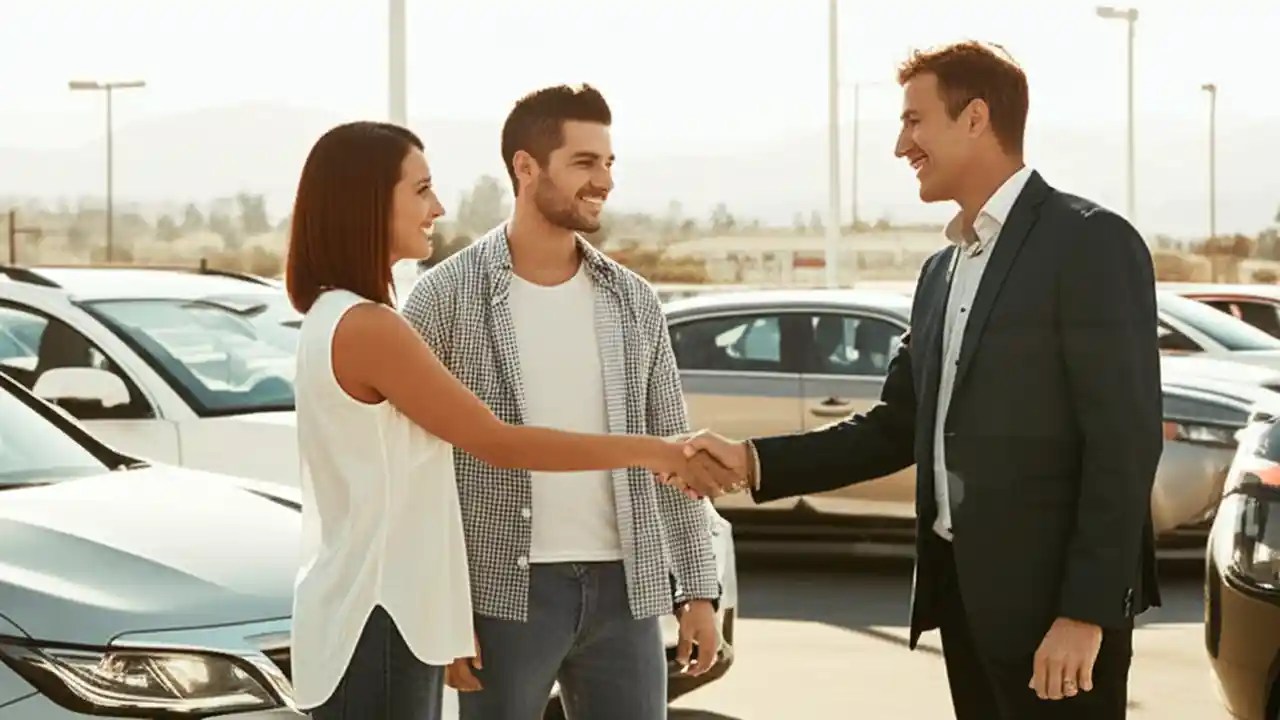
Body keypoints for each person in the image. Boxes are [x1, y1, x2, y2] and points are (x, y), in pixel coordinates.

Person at [678, 42, 1162, 719]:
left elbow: (1124, 443)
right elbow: (898, 426)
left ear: (974, 118)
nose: (901, 144)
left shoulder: (1089, 243)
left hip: (1058, 621)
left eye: (914, 120)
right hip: (964, 603)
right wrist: (752, 460)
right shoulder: (943, 271)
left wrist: (1085, 614)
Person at [285, 120, 697, 720]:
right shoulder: (369, 328)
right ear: (370, 201)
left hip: (376, 613)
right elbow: (497, 442)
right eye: (420, 189)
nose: (438, 206)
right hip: (376, 619)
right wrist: (652, 452)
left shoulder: (341, 316)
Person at [402, 84, 722, 720]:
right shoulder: (443, 299)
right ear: (526, 167)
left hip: (626, 589)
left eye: (608, 163)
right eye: (584, 162)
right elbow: (414, 469)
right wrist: (440, 604)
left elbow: (673, 451)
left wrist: (699, 591)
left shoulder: (633, 300)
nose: (602, 180)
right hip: (500, 592)